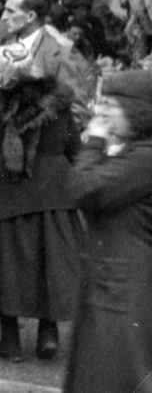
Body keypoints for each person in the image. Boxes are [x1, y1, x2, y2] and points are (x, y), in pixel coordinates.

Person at [0, 43, 83, 361]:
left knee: (3, 268)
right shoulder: (59, 103)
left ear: (3, 74)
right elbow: (74, 148)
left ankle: (10, 341)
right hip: (52, 195)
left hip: (1, 196)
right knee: (46, 263)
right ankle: (47, 334)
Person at [63, 70, 152, 393]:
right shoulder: (136, 152)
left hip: (126, 287)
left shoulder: (144, 159)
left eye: (111, 106)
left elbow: (84, 188)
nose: (103, 114)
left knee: (114, 373)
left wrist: (95, 141)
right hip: (112, 280)